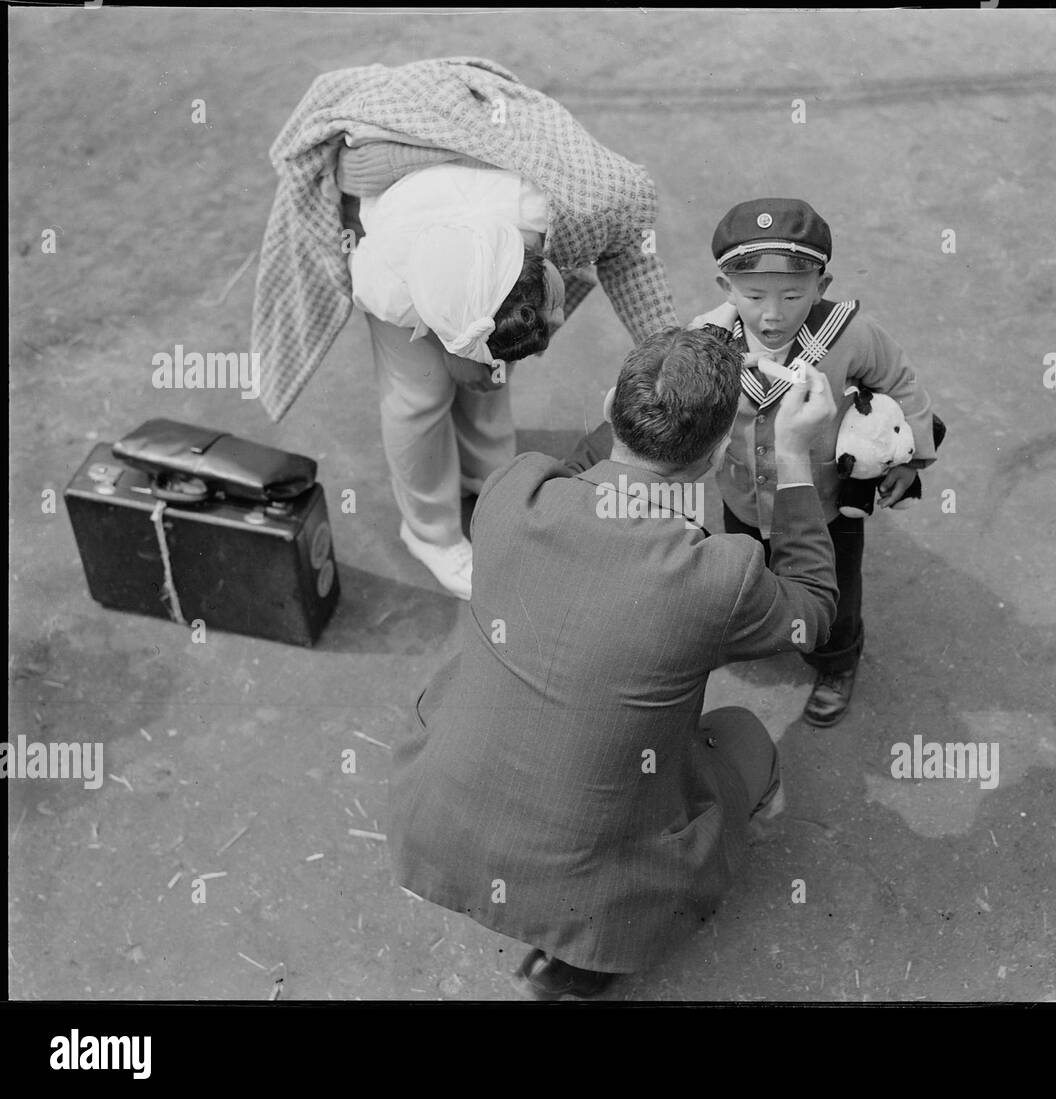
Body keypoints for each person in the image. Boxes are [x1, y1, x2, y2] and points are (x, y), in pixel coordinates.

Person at [387, 328, 839, 999]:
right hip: (583, 878)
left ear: (611, 405)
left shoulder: (513, 490)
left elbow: (584, 467)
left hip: (430, 822)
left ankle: (574, 931)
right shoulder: (718, 576)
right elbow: (815, 611)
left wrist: (660, 386)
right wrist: (797, 457)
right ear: (717, 455)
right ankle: (589, 955)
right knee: (744, 734)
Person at [251, 57, 678, 599]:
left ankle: (488, 476)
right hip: (396, 181)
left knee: (492, 378)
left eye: (548, 299)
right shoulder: (384, 275)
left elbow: (630, 251)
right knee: (419, 395)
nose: (556, 316)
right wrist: (462, 357)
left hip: (470, 156)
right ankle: (430, 532)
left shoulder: (573, 201)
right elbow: (460, 338)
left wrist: (671, 344)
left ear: (537, 255)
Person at [692, 198, 939, 727]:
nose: (773, 313)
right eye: (754, 295)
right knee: (748, 568)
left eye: (793, 294)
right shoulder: (711, 339)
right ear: (726, 290)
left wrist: (911, 459)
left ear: (822, 286)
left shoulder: (850, 336)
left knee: (836, 594)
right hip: (742, 494)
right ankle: (766, 625)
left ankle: (834, 661)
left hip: (825, 505)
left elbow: (902, 382)